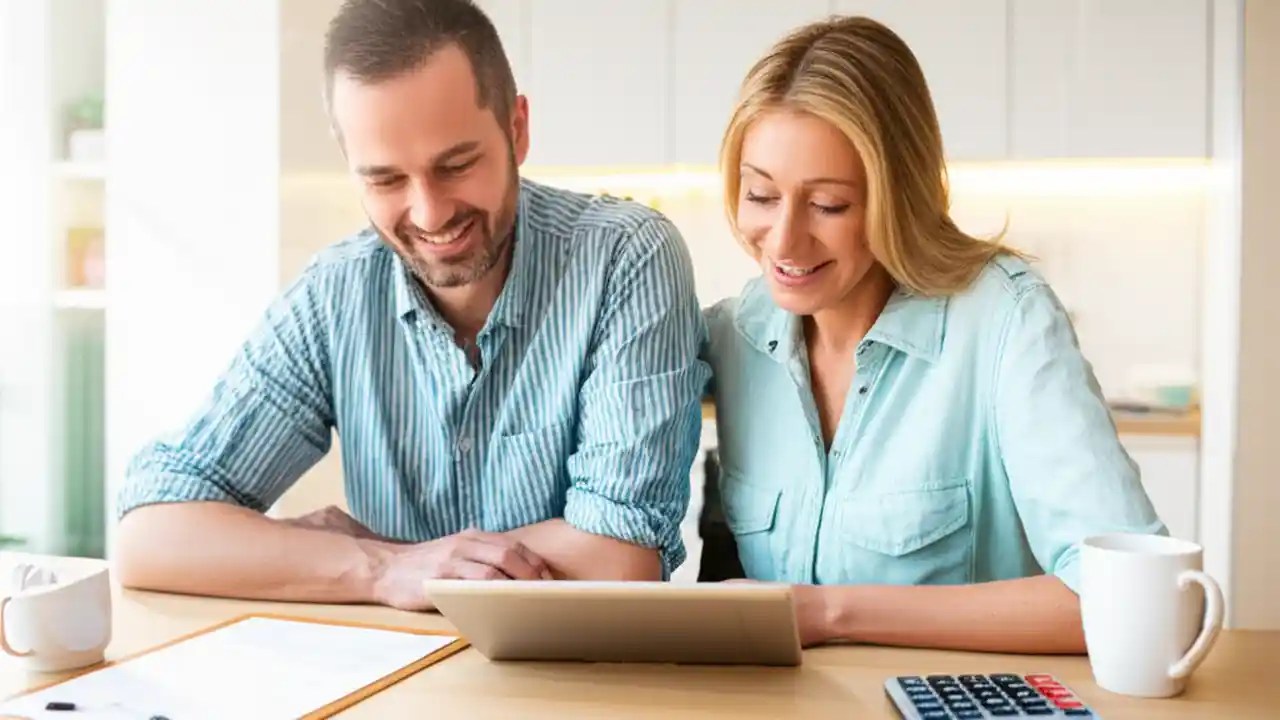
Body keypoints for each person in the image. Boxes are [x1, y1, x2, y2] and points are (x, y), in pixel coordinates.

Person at [115, 0, 709, 611]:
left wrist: (397, 568)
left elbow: (618, 560)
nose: (429, 214)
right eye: (385, 180)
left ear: (517, 128)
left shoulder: (624, 257)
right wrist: (381, 570)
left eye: (456, 165)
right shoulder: (334, 295)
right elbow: (151, 536)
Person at [702, 15, 1165, 653]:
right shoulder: (734, 335)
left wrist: (827, 613)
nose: (782, 242)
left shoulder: (1006, 323)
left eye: (829, 204)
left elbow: (1127, 601)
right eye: (760, 195)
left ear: (901, 194)